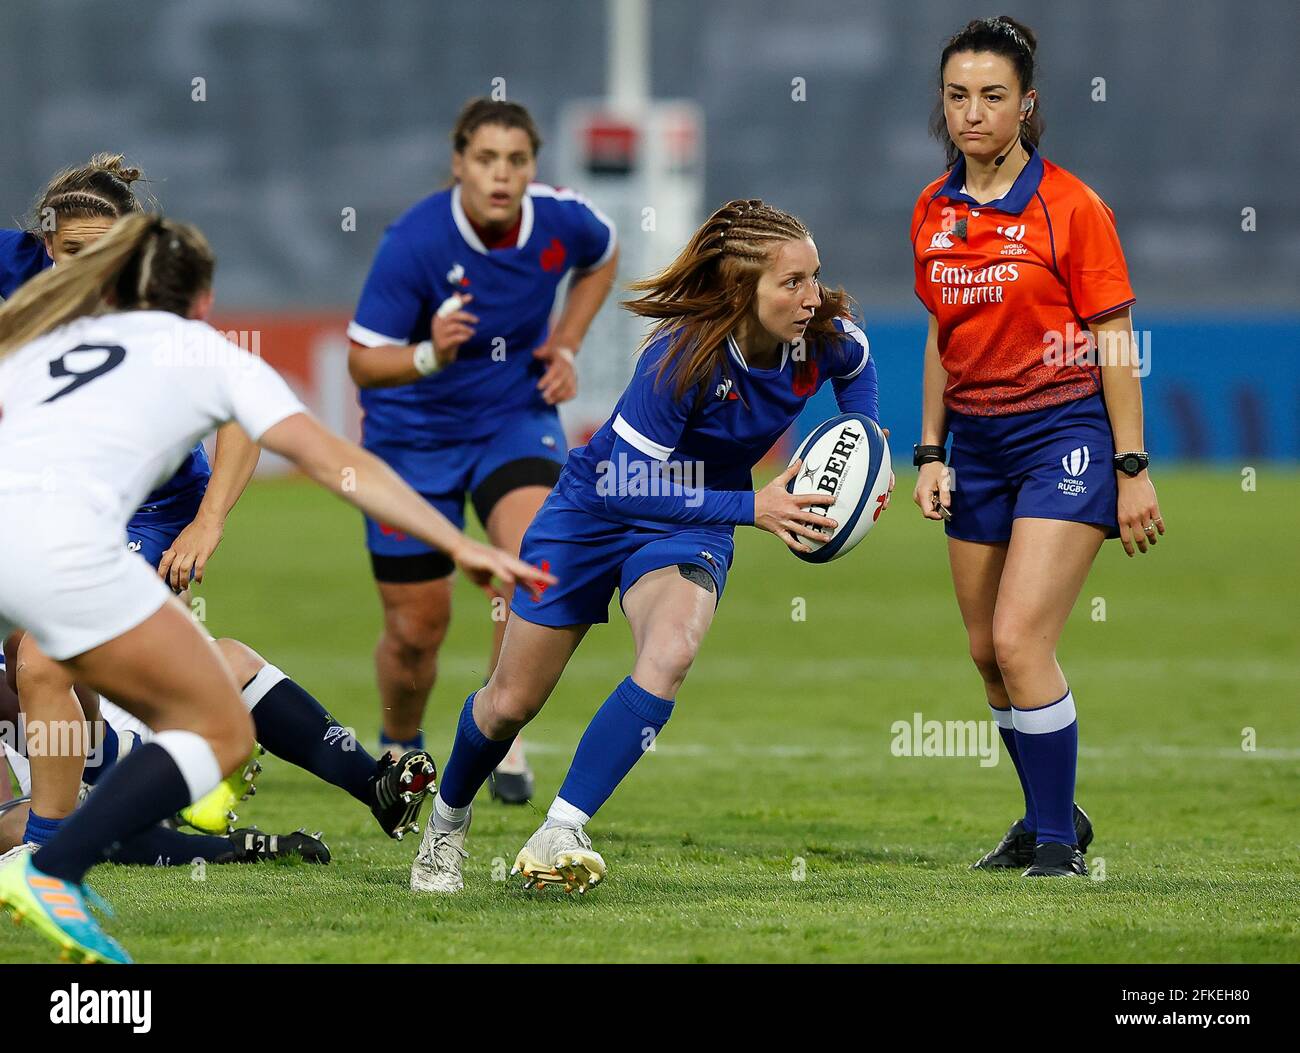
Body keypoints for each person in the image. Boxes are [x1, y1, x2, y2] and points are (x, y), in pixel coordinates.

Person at [0, 214, 552, 963]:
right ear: (202, 299)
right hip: (58, 549)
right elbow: (337, 464)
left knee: (57, 672)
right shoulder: (204, 351)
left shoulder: (50, 341)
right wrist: (455, 540)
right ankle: (51, 868)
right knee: (221, 726)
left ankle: (52, 850)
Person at [409, 198, 892, 894]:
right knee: (510, 701)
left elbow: (860, 365)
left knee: (671, 651)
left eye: (814, 276)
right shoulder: (680, 357)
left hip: (692, 520)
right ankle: (447, 821)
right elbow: (626, 484)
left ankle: (561, 827)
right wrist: (752, 506)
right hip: (594, 507)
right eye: (792, 282)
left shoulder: (821, 335)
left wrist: (865, 437)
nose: (812, 296)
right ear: (740, 289)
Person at [0, 155, 439, 851]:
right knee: (185, 670)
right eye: (70, 252)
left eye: (105, 253)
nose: (84, 269)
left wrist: (208, 521)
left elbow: (241, 415)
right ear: (41, 244)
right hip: (55, 508)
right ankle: (355, 782)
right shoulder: (12, 266)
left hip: (151, 513)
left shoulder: (149, 300)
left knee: (40, 651)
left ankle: (54, 848)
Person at [909, 17, 1164, 878]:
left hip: (1065, 435)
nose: (972, 112)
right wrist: (931, 451)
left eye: (991, 96)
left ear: (1028, 104)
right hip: (973, 444)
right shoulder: (932, 210)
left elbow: (1116, 341)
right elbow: (943, 337)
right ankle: (1047, 812)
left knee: (1021, 640)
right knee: (986, 655)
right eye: (957, 96)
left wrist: (1132, 468)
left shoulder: (1073, 207)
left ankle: (1056, 845)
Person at [348, 98, 618, 801]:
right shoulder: (414, 242)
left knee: (531, 561)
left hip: (513, 418)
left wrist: (566, 342)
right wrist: (432, 355)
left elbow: (603, 253)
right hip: (413, 437)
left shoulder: (562, 221)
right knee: (416, 632)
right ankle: (400, 747)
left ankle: (499, 727)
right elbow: (362, 363)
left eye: (517, 160)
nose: (502, 175)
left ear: (533, 166)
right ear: (459, 163)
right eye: (487, 159)